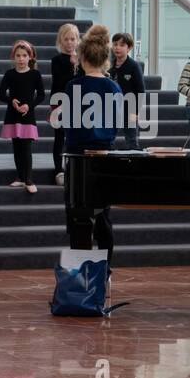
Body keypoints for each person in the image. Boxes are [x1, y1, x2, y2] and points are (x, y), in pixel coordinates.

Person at [63, 30, 121, 252]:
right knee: (103, 213)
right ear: (105, 60)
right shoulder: (113, 87)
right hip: (104, 154)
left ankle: (81, 265)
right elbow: (116, 122)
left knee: (78, 213)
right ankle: (105, 267)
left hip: (78, 156)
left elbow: (68, 123)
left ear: (82, 58)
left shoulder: (73, 86)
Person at [0, 40, 45, 195]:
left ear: (30, 57)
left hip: (27, 116)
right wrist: (11, 101)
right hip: (13, 115)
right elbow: (0, 94)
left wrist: (29, 105)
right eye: (18, 55)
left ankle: (29, 179)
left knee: (26, 148)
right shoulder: (10, 74)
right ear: (13, 57)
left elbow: (42, 95)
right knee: (16, 147)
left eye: (24, 55)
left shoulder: (35, 74)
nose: (21, 59)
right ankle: (20, 177)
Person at [49, 23, 80, 186]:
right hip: (59, 102)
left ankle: (74, 168)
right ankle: (58, 170)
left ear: (77, 41)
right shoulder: (57, 60)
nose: (69, 42)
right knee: (59, 137)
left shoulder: (82, 60)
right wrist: (72, 65)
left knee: (75, 137)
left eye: (72, 39)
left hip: (78, 102)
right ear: (61, 41)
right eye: (66, 39)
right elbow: (61, 82)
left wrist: (78, 65)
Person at [108, 32, 145, 150]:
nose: (117, 47)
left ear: (129, 48)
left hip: (129, 109)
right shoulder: (109, 67)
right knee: (108, 140)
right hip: (112, 109)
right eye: (115, 44)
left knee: (131, 140)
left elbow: (140, 90)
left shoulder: (134, 66)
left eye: (122, 45)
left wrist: (135, 113)